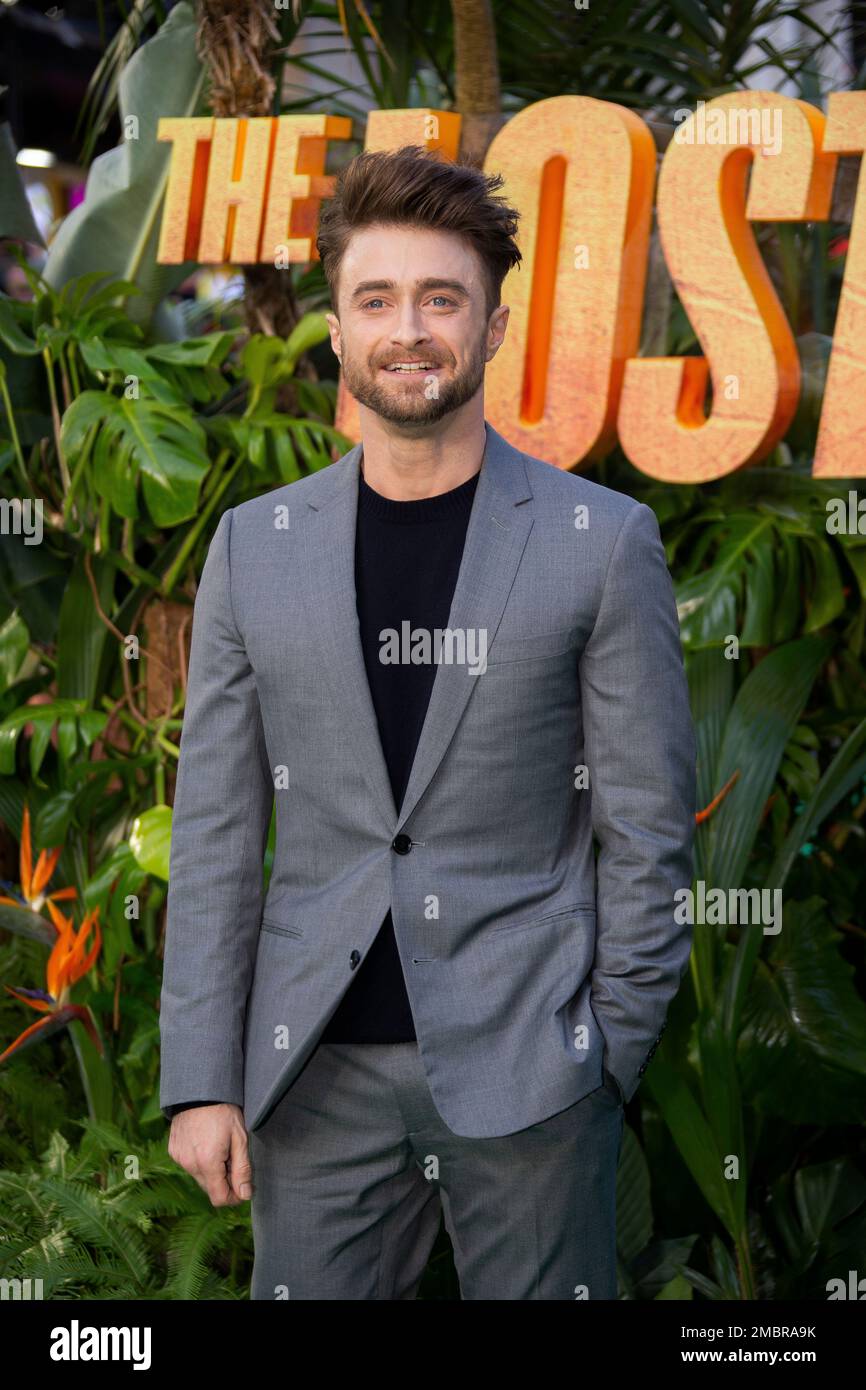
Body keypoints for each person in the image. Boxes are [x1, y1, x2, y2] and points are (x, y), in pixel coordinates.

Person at [160, 144, 696, 1300]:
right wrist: (201, 1076)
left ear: (492, 327)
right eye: (377, 300)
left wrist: (604, 1053)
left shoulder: (597, 543)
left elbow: (648, 829)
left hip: (531, 1073)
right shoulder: (256, 548)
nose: (409, 328)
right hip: (314, 1080)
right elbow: (213, 827)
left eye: (440, 298)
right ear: (339, 333)